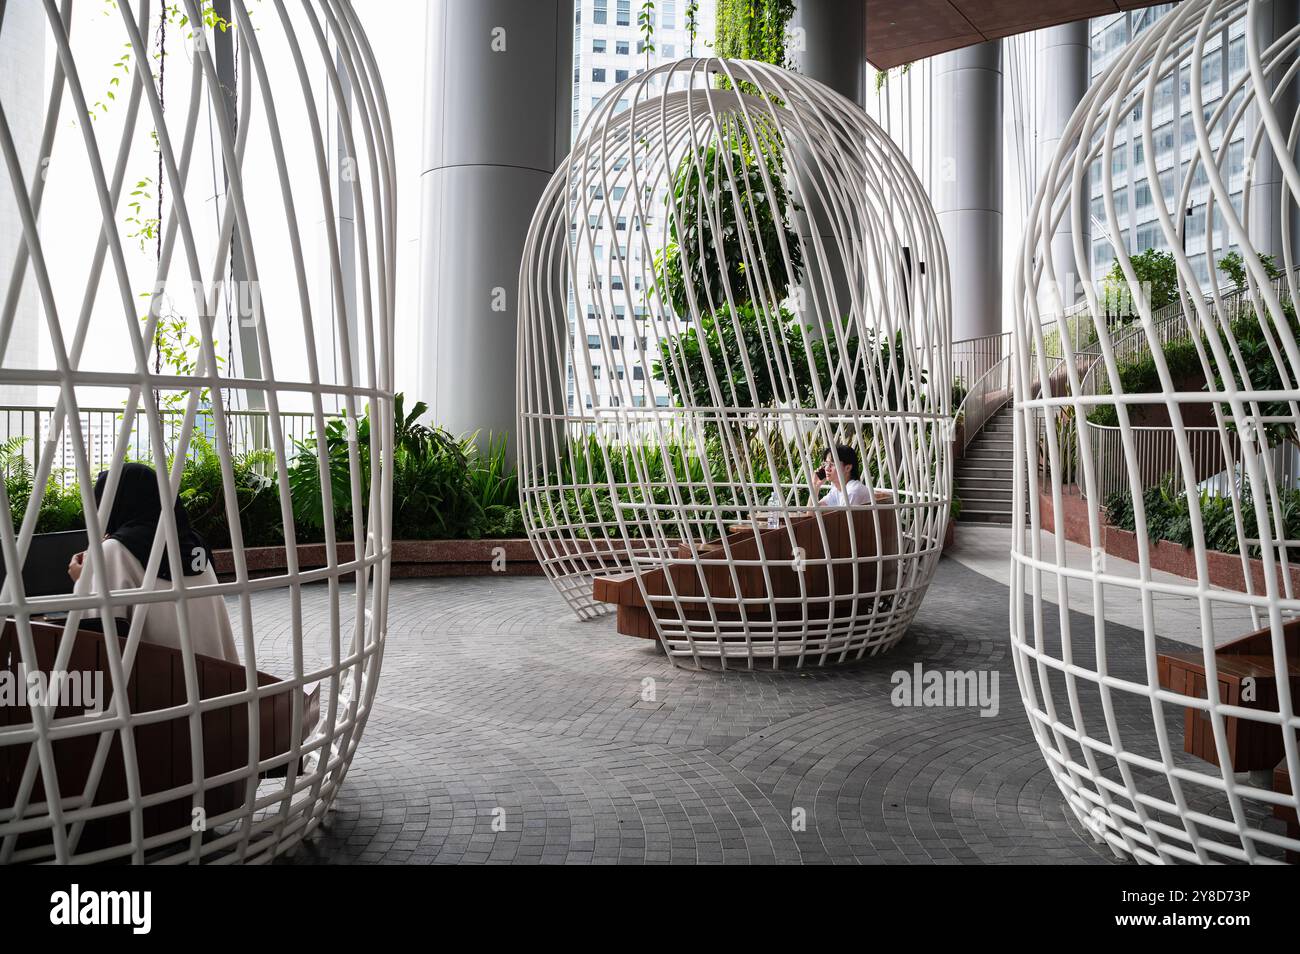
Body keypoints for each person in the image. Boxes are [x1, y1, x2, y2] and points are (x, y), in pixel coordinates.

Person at [68, 462, 239, 664]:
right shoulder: (195, 545)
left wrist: (83, 579)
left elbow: (95, 638)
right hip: (217, 681)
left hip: (157, 685)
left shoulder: (114, 551)